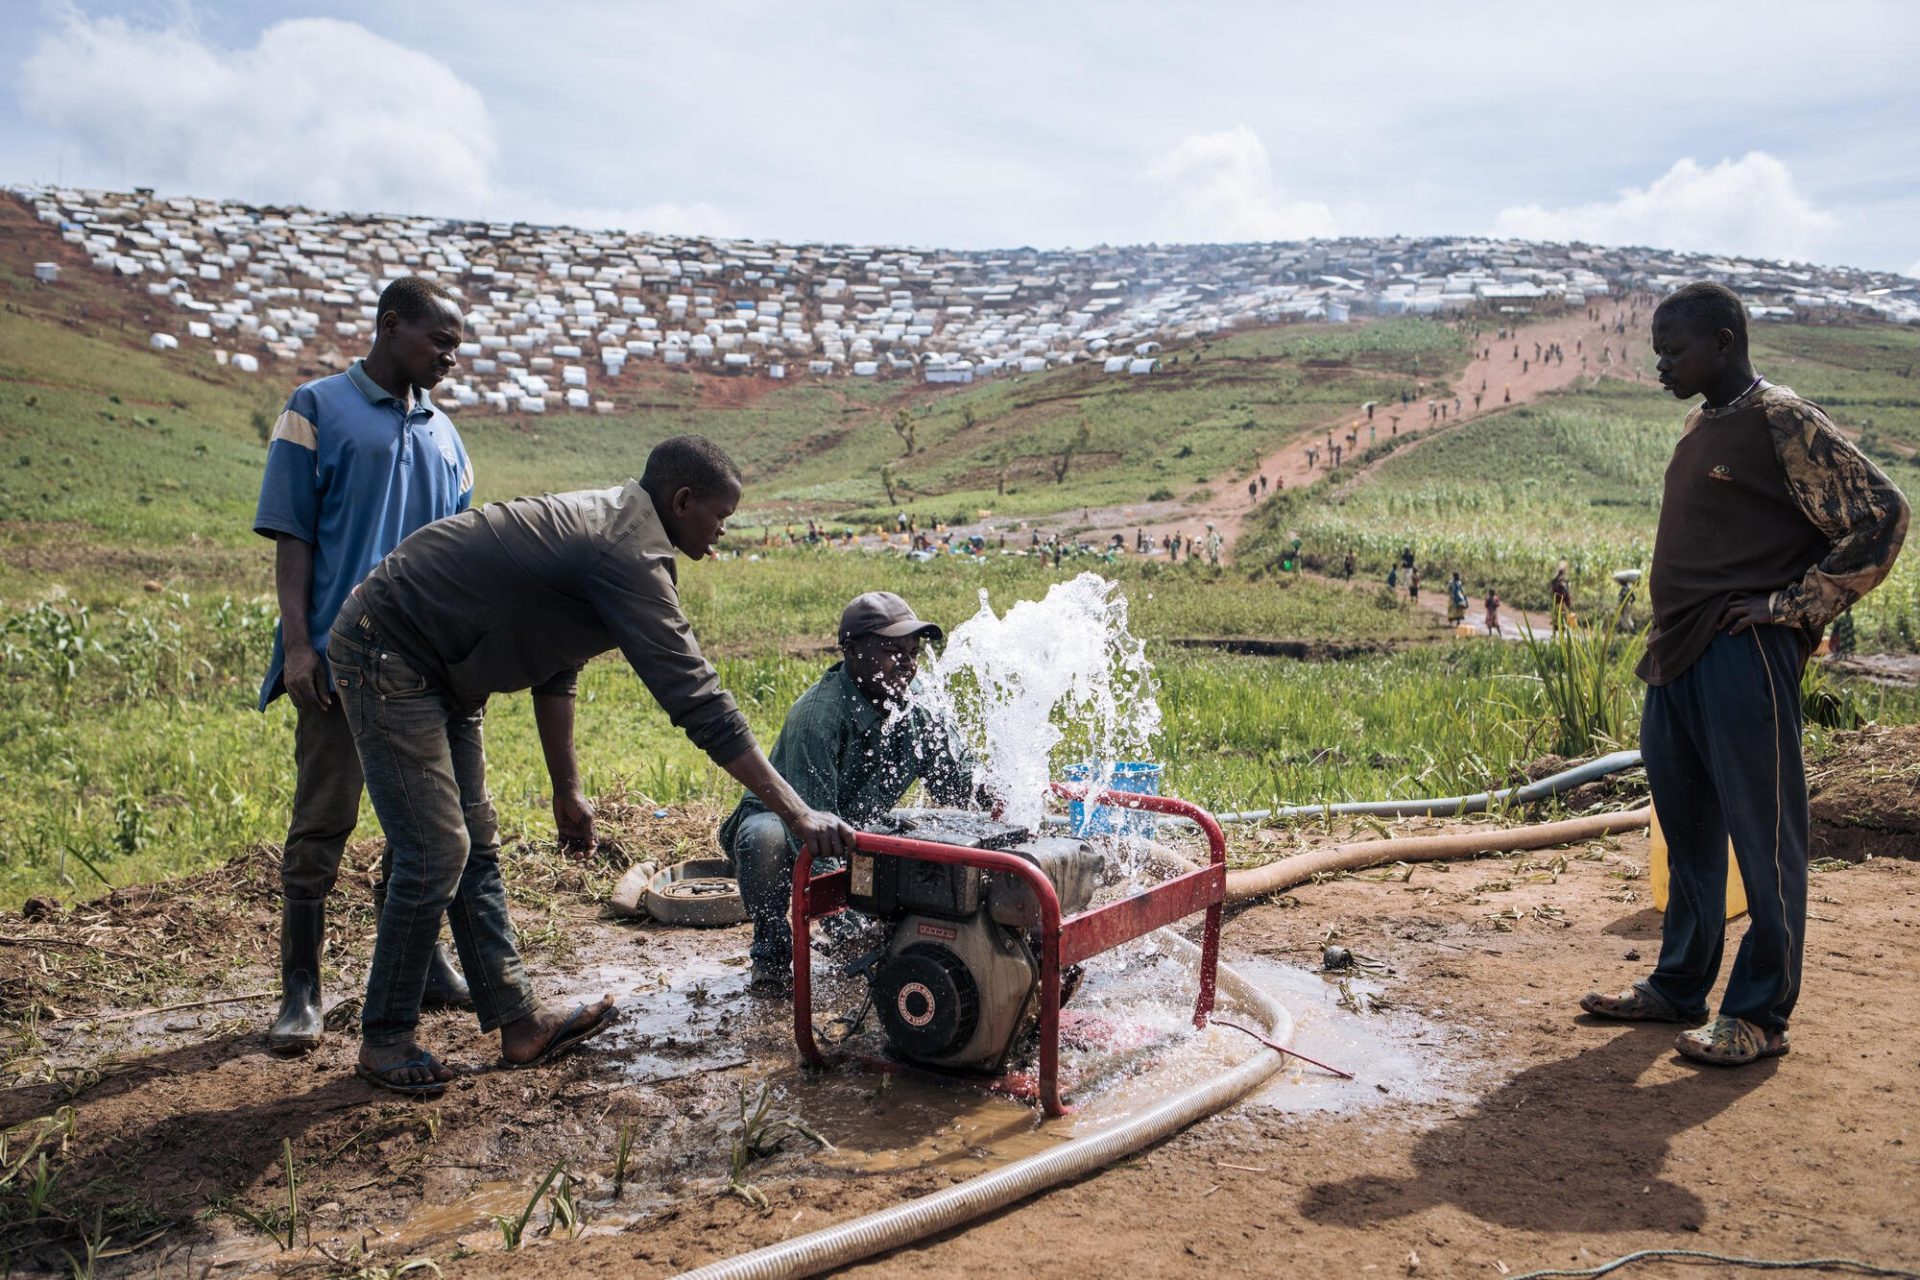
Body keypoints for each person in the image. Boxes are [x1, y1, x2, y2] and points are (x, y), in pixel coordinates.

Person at [329, 435, 855, 1095]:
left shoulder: (620, 536)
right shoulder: (625, 552)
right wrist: (797, 812)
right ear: (682, 501)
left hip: (448, 669)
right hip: (390, 647)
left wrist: (567, 788)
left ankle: (519, 1023)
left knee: (475, 843)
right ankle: (384, 1037)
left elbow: (558, 664)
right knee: (435, 849)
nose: (722, 530)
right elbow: (700, 702)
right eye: (719, 515)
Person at [1580, 282, 1909, 1067]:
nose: (1662, 366)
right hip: (1678, 653)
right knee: (1689, 830)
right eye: (1658, 352)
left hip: (1743, 654)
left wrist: (1792, 605)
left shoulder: (1781, 420)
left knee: (1765, 837)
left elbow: (1883, 514)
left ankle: (1760, 1013)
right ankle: (1679, 985)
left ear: (1723, 342)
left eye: (1675, 351)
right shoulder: (1703, 424)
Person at [254, 277, 485, 1055]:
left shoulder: (447, 438)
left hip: (421, 673)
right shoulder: (316, 409)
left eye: (456, 346)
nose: (451, 357)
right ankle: (301, 988)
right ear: (391, 327)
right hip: (336, 663)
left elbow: (456, 564)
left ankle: (424, 966)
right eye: (439, 342)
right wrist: (298, 646)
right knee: (322, 819)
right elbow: (293, 533)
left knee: (421, 826)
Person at [719, 593, 982, 994]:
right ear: (852, 651)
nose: (907, 663)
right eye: (892, 651)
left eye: (913, 652)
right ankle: (771, 956)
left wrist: (991, 790)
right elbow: (812, 832)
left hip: (856, 824)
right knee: (763, 840)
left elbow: (955, 781)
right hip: (791, 821)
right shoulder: (817, 717)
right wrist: (848, 929)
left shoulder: (918, 704)